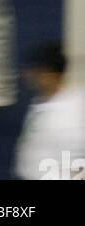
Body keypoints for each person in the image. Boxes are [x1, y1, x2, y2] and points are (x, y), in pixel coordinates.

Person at [14, 42, 85, 180]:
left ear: (50, 75)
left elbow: (76, 167)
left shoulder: (71, 115)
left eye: (35, 71)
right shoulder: (41, 103)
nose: (27, 75)